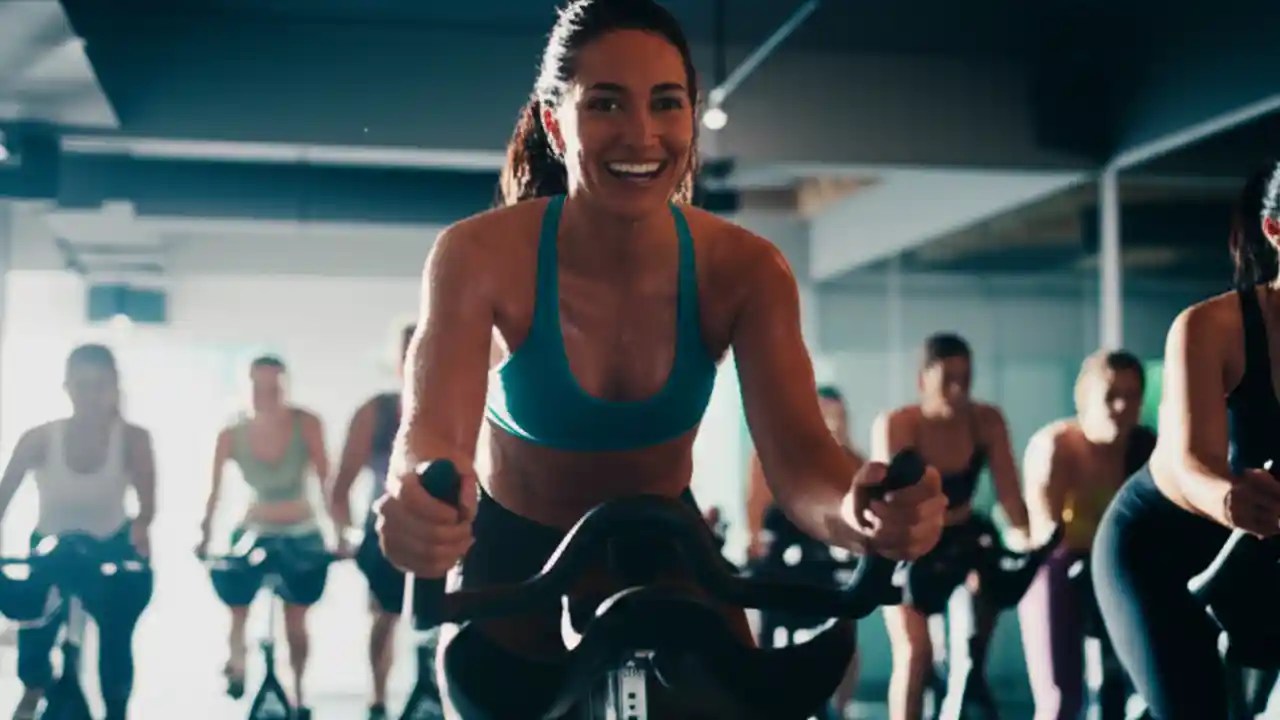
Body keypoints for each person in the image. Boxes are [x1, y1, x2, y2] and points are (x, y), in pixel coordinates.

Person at [373, 0, 948, 714]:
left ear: (689, 118)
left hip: (665, 544)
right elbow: (433, 438)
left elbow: (802, 463)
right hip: (517, 550)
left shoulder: (747, 269)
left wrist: (861, 512)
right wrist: (417, 503)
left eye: (666, 104)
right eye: (606, 103)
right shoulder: (478, 256)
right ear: (556, 123)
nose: (641, 134)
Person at [1092, 162, 1280, 719]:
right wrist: (1228, 496)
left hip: (1257, 555)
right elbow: (1184, 461)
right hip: (1156, 549)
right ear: (1275, 232)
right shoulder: (1211, 327)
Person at [872, 333, 1031, 720]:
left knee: (969, 653)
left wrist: (1031, 542)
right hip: (908, 540)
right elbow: (893, 498)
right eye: (948, 379)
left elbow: (1010, 497)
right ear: (922, 380)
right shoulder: (898, 423)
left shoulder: (986, 421)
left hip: (963, 537)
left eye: (966, 378)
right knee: (914, 656)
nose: (959, 390)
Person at [0, 344, 156, 720]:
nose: (91, 395)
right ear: (67, 387)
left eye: (100, 385)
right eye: (82, 385)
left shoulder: (133, 438)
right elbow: (3, 497)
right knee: (35, 633)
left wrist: (141, 532)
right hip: (51, 548)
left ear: (115, 387)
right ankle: (32, 689)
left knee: (115, 645)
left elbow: (147, 507)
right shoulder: (38, 438)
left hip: (110, 550)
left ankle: (116, 708)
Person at [1018, 350, 1156, 720]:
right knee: (1062, 700)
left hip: (1116, 574)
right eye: (1111, 395)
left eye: (1131, 396)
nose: (1121, 406)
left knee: (1130, 693)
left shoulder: (1147, 449)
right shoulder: (1058, 446)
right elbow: (1044, 536)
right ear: (1084, 398)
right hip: (1059, 575)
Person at [197, 355, 331, 720]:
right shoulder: (230, 433)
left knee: (295, 621)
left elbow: (326, 482)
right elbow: (214, 492)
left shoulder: (307, 424)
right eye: (258, 388)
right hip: (253, 529)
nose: (266, 396)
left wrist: (340, 535)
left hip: (301, 531)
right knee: (236, 603)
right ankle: (237, 663)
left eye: (274, 388)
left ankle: (299, 693)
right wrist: (205, 535)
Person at [746, 385, 867, 719]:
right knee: (761, 624)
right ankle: (763, 701)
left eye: (835, 417)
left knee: (848, 624)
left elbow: (865, 522)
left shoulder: (853, 460)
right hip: (782, 561)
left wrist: (837, 452)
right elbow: (756, 518)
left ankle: (841, 707)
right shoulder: (770, 455)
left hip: (829, 562)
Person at [329, 325, 414, 720]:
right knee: (385, 615)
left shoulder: (469, 406)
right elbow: (341, 484)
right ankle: (378, 700)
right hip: (385, 530)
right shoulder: (375, 412)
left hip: (449, 528)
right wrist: (344, 535)